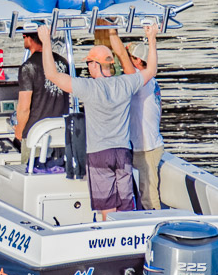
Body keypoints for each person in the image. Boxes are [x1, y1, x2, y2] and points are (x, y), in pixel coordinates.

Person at [37, 23, 158, 220]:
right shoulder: (126, 83)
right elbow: (151, 70)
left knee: (107, 209)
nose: (88, 68)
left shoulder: (88, 87)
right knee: (126, 208)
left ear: (95, 65)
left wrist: (46, 42)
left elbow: (52, 75)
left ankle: (111, 240)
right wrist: (151, 39)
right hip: (122, 152)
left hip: (99, 154)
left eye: (88, 64)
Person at [110, 36, 164, 210]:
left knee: (148, 197)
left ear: (139, 62)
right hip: (143, 146)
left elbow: (122, 59)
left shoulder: (142, 82)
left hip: (146, 148)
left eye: (131, 58)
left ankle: (154, 229)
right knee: (139, 195)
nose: (127, 63)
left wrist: (112, 33)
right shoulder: (149, 81)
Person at [13, 30, 70, 166]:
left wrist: (19, 132)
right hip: (59, 131)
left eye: (24, 36)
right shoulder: (63, 63)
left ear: (29, 39)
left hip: (36, 133)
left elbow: (24, 107)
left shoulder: (28, 67)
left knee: (32, 175)